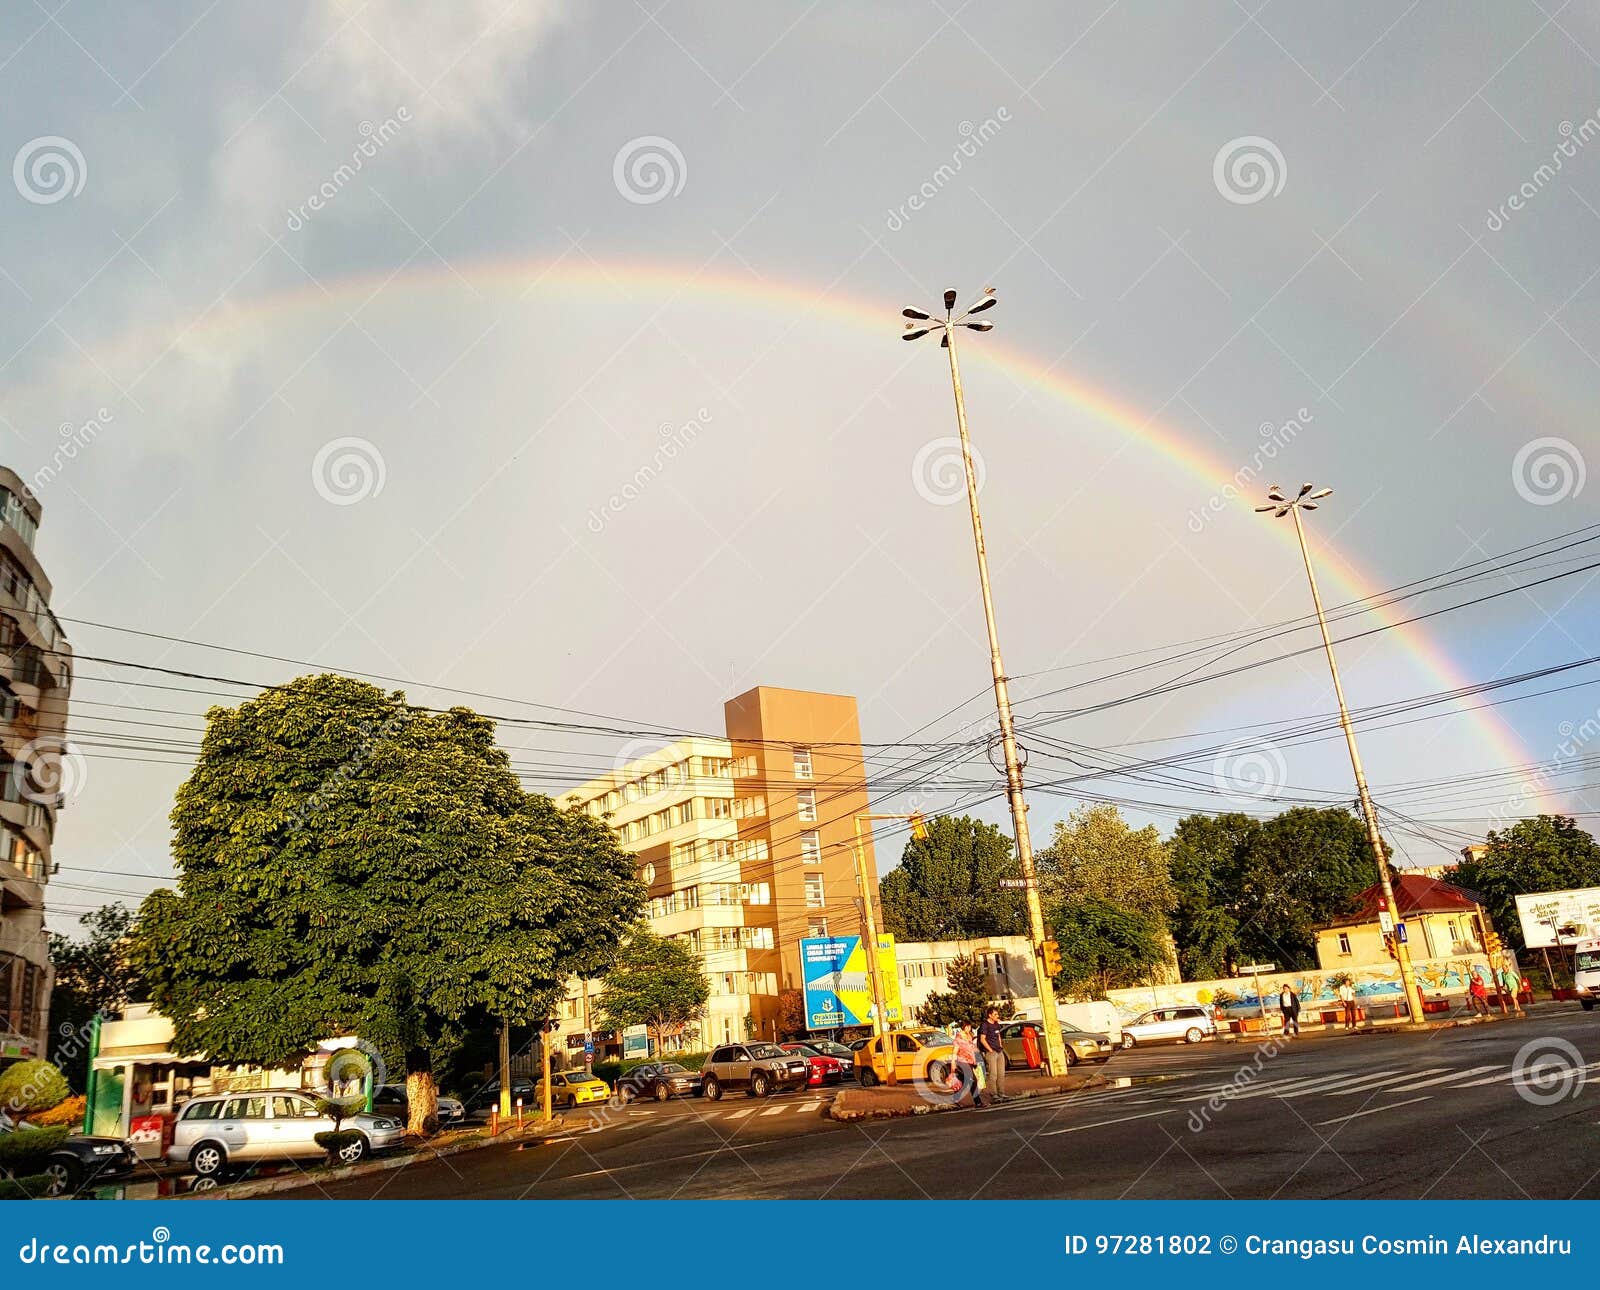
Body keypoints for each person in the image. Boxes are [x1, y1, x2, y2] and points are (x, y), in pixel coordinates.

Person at [951, 1021, 985, 1109]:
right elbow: (955, 1051)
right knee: (973, 1081)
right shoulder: (958, 1039)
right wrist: (953, 1063)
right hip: (962, 1062)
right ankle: (978, 1102)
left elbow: (972, 1049)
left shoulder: (969, 1036)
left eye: (969, 1027)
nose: (968, 1029)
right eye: (967, 1027)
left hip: (971, 1061)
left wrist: (976, 1060)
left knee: (964, 1083)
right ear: (963, 1027)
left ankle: (955, 1099)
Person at [978, 1007, 1007, 1099]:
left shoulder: (996, 1024)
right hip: (991, 1052)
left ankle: (1001, 1092)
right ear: (989, 1015)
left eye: (997, 1014)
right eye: (995, 1014)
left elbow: (998, 1035)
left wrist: (1000, 1045)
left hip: (999, 1051)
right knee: (993, 1073)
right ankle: (994, 1093)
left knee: (1001, 1073)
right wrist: (989, 1049)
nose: (997, 1016)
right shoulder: (985, 1025)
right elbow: (982, 1039)